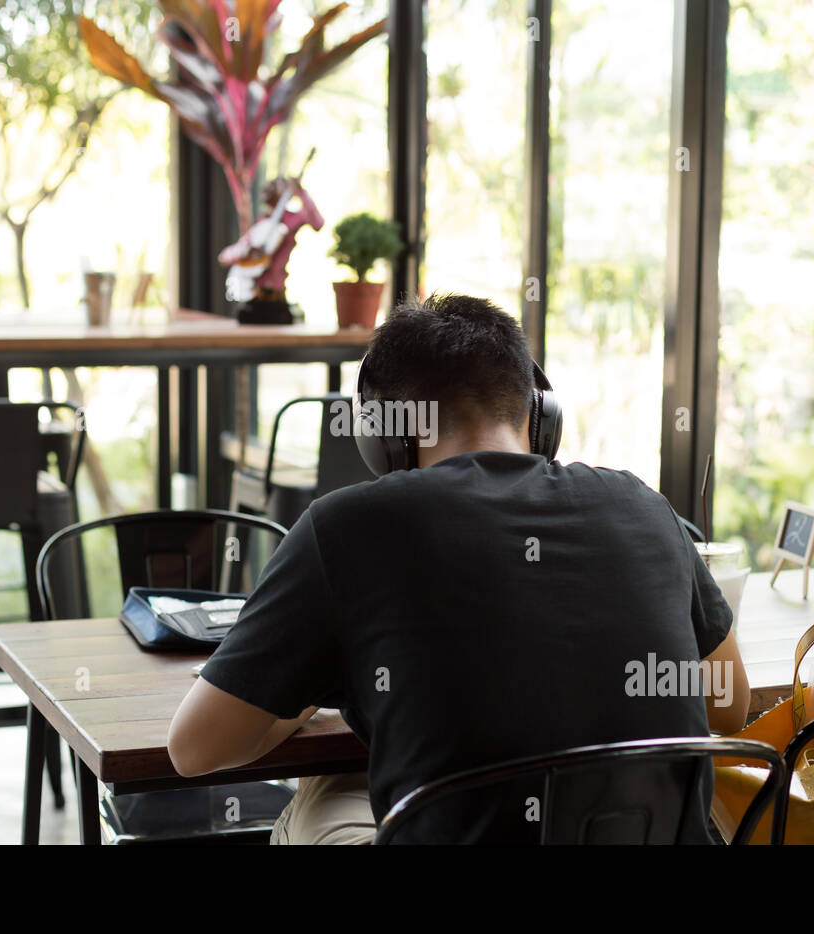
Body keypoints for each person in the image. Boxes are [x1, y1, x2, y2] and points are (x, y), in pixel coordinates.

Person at [166, 293, 749, 844]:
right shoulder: (644, 506)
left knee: (323, 791)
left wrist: (309, 682)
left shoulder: (346, 527)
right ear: (541, 417)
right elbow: (729, 705)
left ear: (386, 441)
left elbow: (194, 749)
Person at [218, 177, 324, 306]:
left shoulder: (292, 219)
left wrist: (301, 193)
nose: (269, 187)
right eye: (270, 184)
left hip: (275, 291)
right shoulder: (261, 223)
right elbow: (225, 256)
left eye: (276, 185)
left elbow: (318, 223)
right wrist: (246, 252)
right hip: (254, 294)